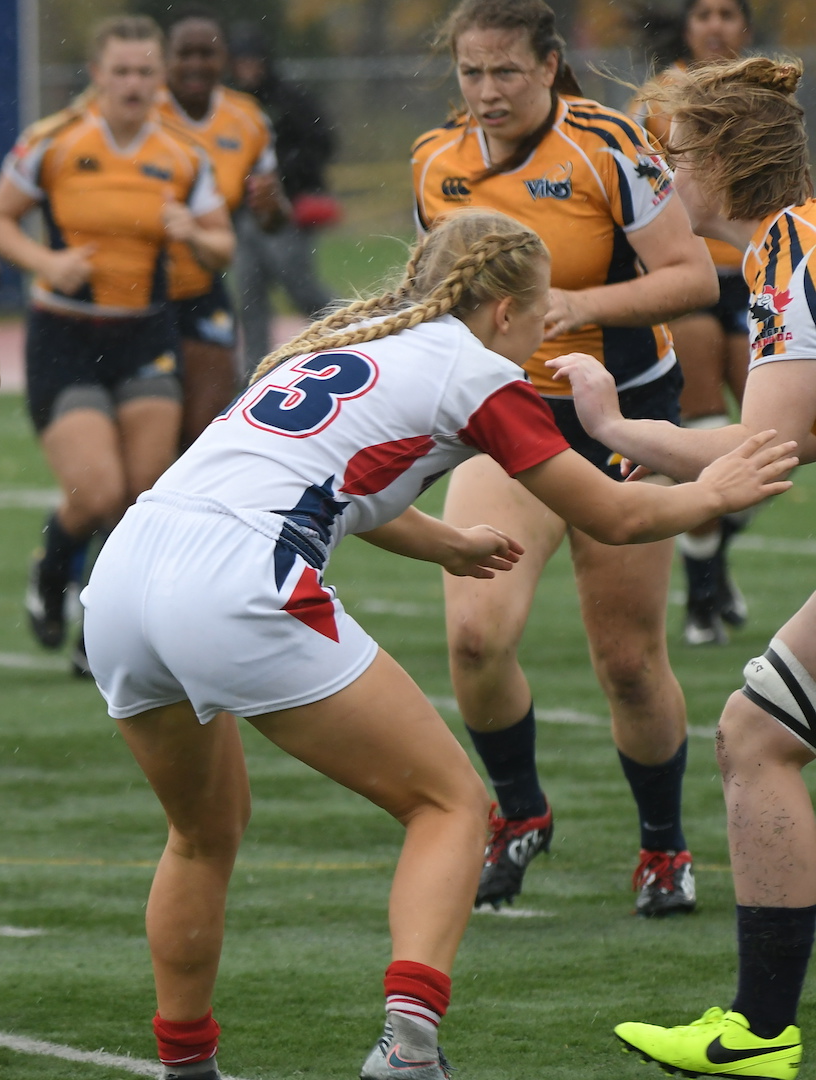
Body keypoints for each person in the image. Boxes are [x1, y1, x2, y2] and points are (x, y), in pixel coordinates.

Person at [82, 207, 792, 1080]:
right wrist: (715, 489)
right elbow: (614, 514)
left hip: (124, 575)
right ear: (503, 313)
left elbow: (325, 478)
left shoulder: (346, 339)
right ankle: (410, 1045)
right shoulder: (481, 373)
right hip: (235, 582)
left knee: (201, 834)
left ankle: (185, 1064)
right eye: (539, 316)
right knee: (451, 804)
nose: (542, 331)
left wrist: (444, 542)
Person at [411, 0, 720, 916]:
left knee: (626, 659)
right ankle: (521, 813)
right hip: (507, 418)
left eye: (506, 71)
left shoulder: (609, 144)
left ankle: (663, 847)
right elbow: (431, 292)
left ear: (550, 67)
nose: (487, 91)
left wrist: (576, 304)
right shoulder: (436, 160)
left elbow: (694, 277)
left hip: (625, 417)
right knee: (474, 635)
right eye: (471, 72)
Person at [551, 56, 816, 1079]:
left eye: (671, 161)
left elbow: (763, 458)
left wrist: (616, 429)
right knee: (763, 731)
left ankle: (757, 1031)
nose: (662, 183)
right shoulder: (793, 244)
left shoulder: (787, 250)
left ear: (718, 161)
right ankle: (757, 1027)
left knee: (755, 736)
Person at [0, 15, 231, 672]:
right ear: (96, 76)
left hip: (146, 334)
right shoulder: (55, 142)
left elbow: (223, 242)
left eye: (146, 71)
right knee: (97, 493)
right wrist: (44, 261)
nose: (133, 83)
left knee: (143, 495)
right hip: (65, 334)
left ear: (162, 78)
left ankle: (103, 635)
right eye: (120, 71)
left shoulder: (182, 155)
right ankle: (52, 567)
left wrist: (194, 234)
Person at [633, 0, 757, 646]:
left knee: (772, 444)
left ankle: (713, 561)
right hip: (692, 277)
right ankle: (703, 602)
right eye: (703, 13)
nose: (715, 26)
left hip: (762, 272)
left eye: (728, 14)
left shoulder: (764, 92)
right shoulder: (659, 98)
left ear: (746, 26)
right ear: (685, 27)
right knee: (709, 424)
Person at [159, 6, 290, 447]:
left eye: (207, 53)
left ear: (225, 60)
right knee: (148, 445)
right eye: (185, 53)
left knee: (203, 433)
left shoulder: (248, 119)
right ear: (165, 59)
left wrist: (273, 207)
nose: (195, 64)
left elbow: (272, 217)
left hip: (202, 285)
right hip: (135, 292)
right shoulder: (142, 107)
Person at [223, 22, 337, 371]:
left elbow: (323, 143)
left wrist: (284, 173)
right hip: (246, 216)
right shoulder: (233, 106)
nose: (247, 70)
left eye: (252, 61)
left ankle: (348, 332)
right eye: (240, 62)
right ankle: (255, 372)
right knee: (250, 295)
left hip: (286, 212)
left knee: (300, 288)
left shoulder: (289, 99)